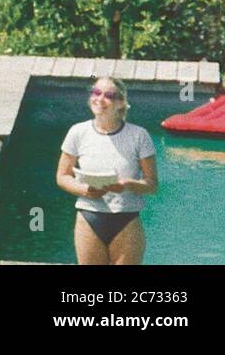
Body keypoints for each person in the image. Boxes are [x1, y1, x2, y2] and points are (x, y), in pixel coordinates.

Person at [56, 76, 158, 265]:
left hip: (126, 218)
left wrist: (129, 184)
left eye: (109, 95)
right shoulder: (77, 132)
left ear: (121, 103)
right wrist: (85, 190)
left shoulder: (139, 135)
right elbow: (62, 176)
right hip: (89, 215)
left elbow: (152, 184)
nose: (100, 99)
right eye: (96, 92)